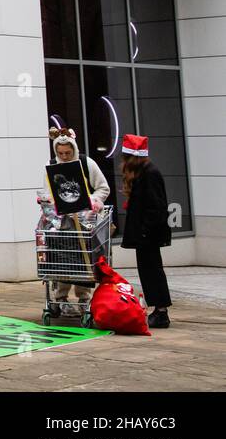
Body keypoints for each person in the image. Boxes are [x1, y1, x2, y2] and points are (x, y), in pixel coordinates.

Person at [41, 127, 110, 309]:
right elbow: (48, 192)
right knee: (61, 258)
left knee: (82, 257)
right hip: (61, 223)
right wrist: (48, 202)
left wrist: (93, 202)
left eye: (68, 153)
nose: (64, 156)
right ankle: (60, 296)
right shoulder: (52, 165)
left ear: (74, 149)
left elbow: (103, 188)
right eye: (60, 153)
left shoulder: (86, 163)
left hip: (84, 222)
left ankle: (83, 296)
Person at [119, 134, 172, 329]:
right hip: (146, 234)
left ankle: (161, 311)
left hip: (148, 235)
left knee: (152, 271)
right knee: (149, 271)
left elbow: (156, 207)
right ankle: (159, 310)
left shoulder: (149, 173)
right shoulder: (145, 172)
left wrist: (144, 231)